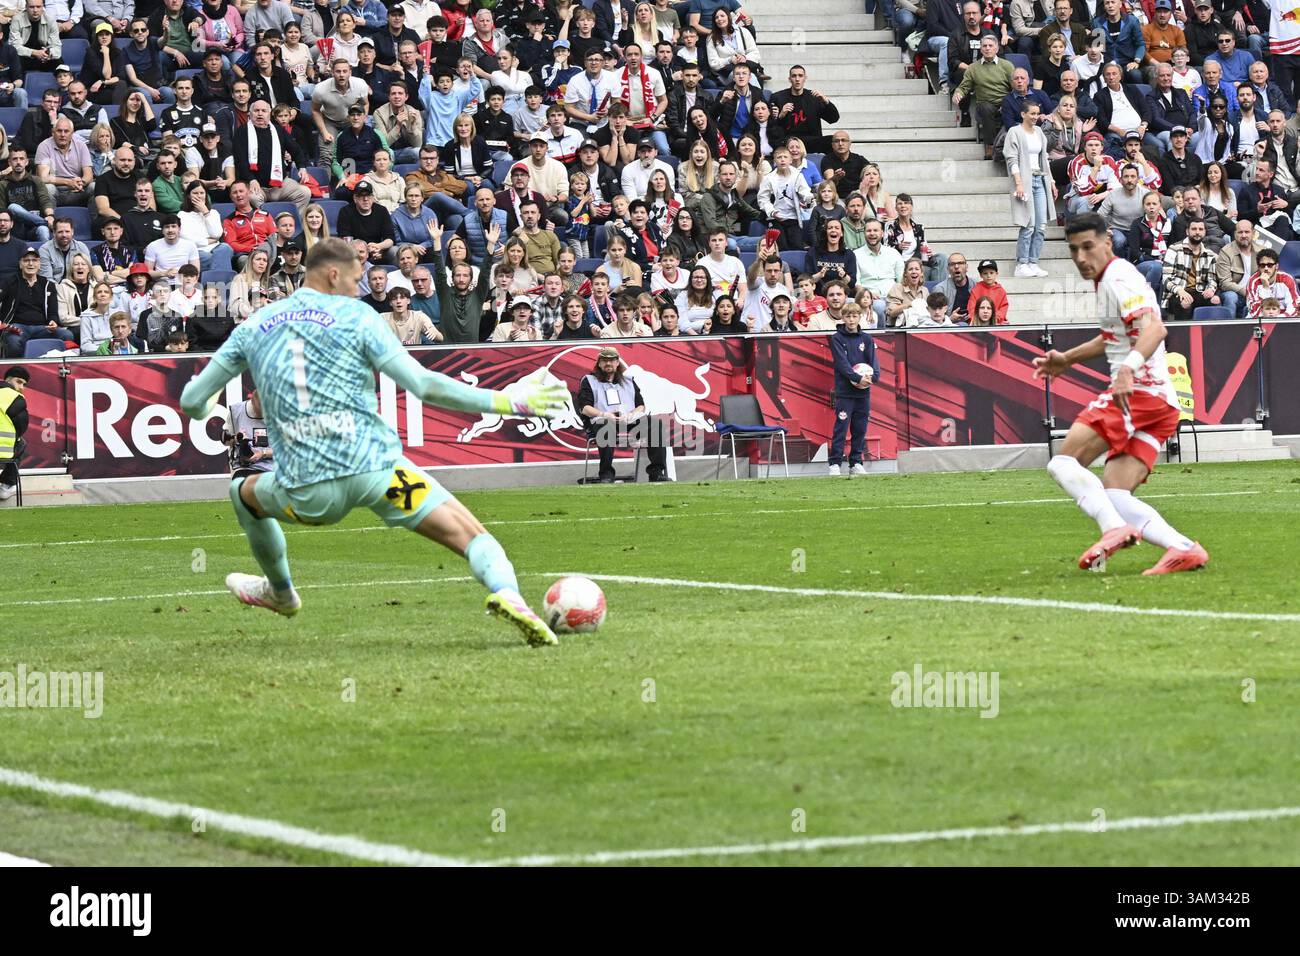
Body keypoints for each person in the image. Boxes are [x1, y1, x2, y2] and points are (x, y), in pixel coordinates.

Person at [178, 236, 568, 641]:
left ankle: (281, 592)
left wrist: (205, 409)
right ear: (333, 274)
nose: (358, 287)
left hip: (306, 491)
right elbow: (424, 385)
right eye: (355, 278)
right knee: (473, 538)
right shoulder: (359, 317)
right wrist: (509, 400)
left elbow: (191, 399)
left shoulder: (254, 327)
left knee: (242, 492)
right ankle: (509, 595)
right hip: (376, 471)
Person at [1032, 212, 1208, 574]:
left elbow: (1155, 329)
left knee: (1062, 463)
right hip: (1162, 404)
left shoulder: (1118, 276)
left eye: (1088, 247)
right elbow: (1112, 336)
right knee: (1114, 492)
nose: (1081, 257)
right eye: (1073, 250)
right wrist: (1067, 358)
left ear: (1107, 242)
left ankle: (1113, 529)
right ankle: (1184, 548)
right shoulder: (1109, 280)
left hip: (1138, 392)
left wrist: (1127, 368)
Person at [576, 345, 669, 483]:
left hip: (628, 421)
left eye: (612, 360)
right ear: (599, 363)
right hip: (603, 420)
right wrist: (604, 414)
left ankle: (656, 472)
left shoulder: (629, 381)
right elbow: (585, 408)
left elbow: (641, 406)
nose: (608, 363)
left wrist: (631, 414)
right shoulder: (589, 380)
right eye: (604, 360)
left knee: (655, 424)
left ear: (617, 362)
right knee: (607, 426)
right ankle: (606, 474)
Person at [1005, 100, 1057, 277]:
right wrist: (1019, 183)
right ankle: (1022, 264)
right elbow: (1011, 159)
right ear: (1023, 114)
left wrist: (1051, 182)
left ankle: (1033, 262)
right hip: (1025, 181)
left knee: (1041, 225)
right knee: (1028, 224)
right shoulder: (1015, 132)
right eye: (1032, 113)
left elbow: (1045, 158)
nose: (1035, 117)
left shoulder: (1039, 132)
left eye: (1037, 114)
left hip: (1040, 179)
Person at [0, 364, 31, 500]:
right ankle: (7, 485)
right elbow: (22, 425)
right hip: (3, 450)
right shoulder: (14, 397)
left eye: (24, 384)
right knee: (21, 442)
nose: (21, 388)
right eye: (18, 382)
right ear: (7, 380)